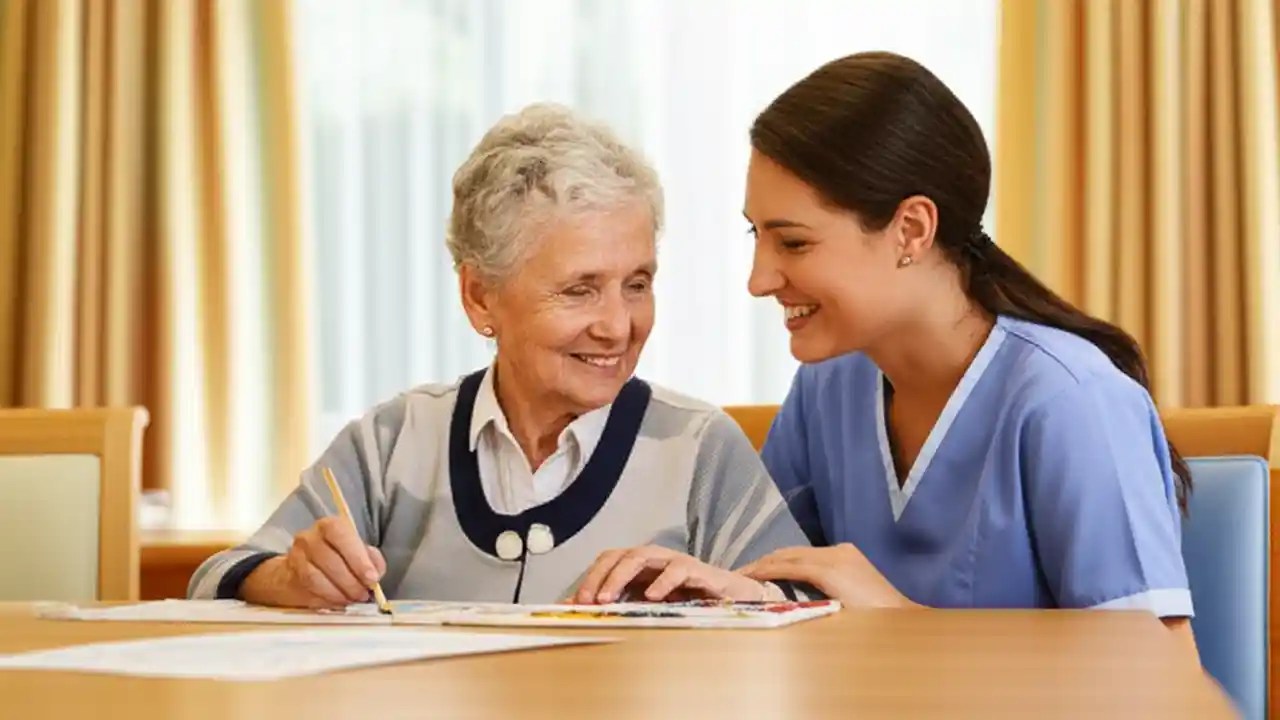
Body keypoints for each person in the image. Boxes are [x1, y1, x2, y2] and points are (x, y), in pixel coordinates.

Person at [577, 52, 1197, 647]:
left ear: (911, 230)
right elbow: (787, 593)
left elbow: (1159, 676)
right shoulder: (828, 389)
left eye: (793, 243)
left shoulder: (1072, 403)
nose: (759, 280)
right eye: (756, 235)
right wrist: (723, 593)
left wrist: (900, 623)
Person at [188, 103, 809, 608]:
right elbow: (218, 577)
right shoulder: (394, 441)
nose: (618, 326)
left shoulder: (699, 448)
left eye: (637, 284)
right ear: (480, 296)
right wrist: (287, 578)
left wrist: (743, 597)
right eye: (580, 290)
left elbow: (806, 608)